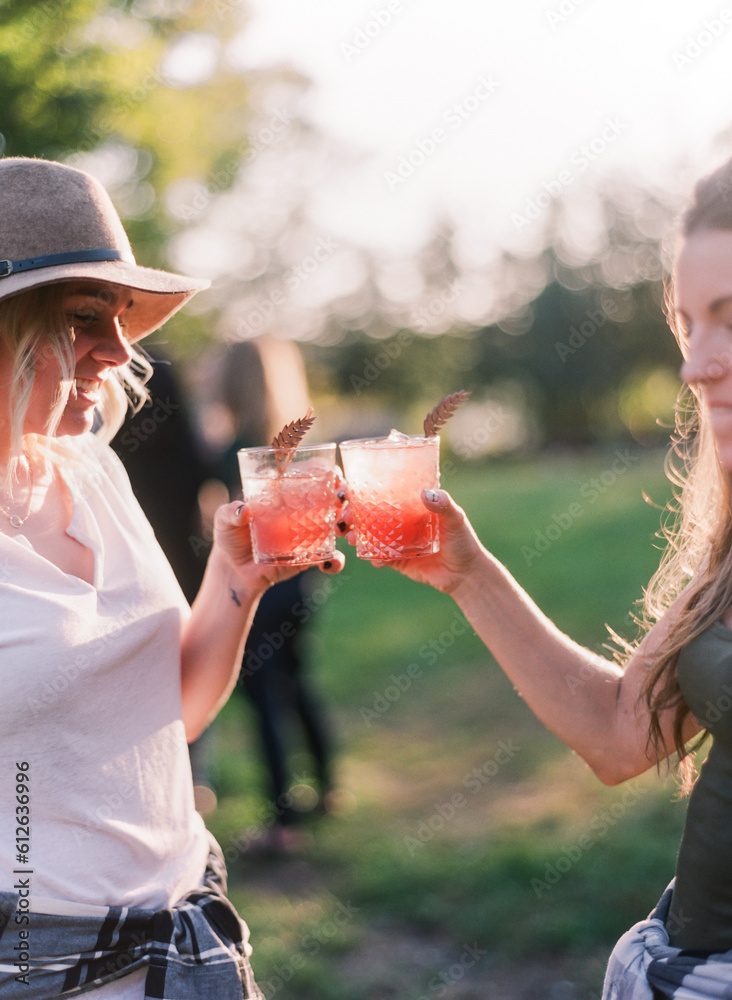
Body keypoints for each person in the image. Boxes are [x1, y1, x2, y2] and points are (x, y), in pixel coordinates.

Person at [343, 156, 732, 1000]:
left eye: (730, 318)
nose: (697, 366)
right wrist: (469, 575)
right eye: (689, 324)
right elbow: (623, 733)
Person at [0, 156, 343, 1000]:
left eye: (123, 319)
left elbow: (170, 713)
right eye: (86, 318)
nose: (121, 351)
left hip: (193, 937)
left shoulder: (93, 475)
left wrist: (236, 578)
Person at [217, 338, 335, 852]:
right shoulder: (301, 450)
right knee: (297, 681)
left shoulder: (236, 448)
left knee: (263, 692)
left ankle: (282, 818)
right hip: (304, 582)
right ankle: (329, 788)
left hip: (265, 586)